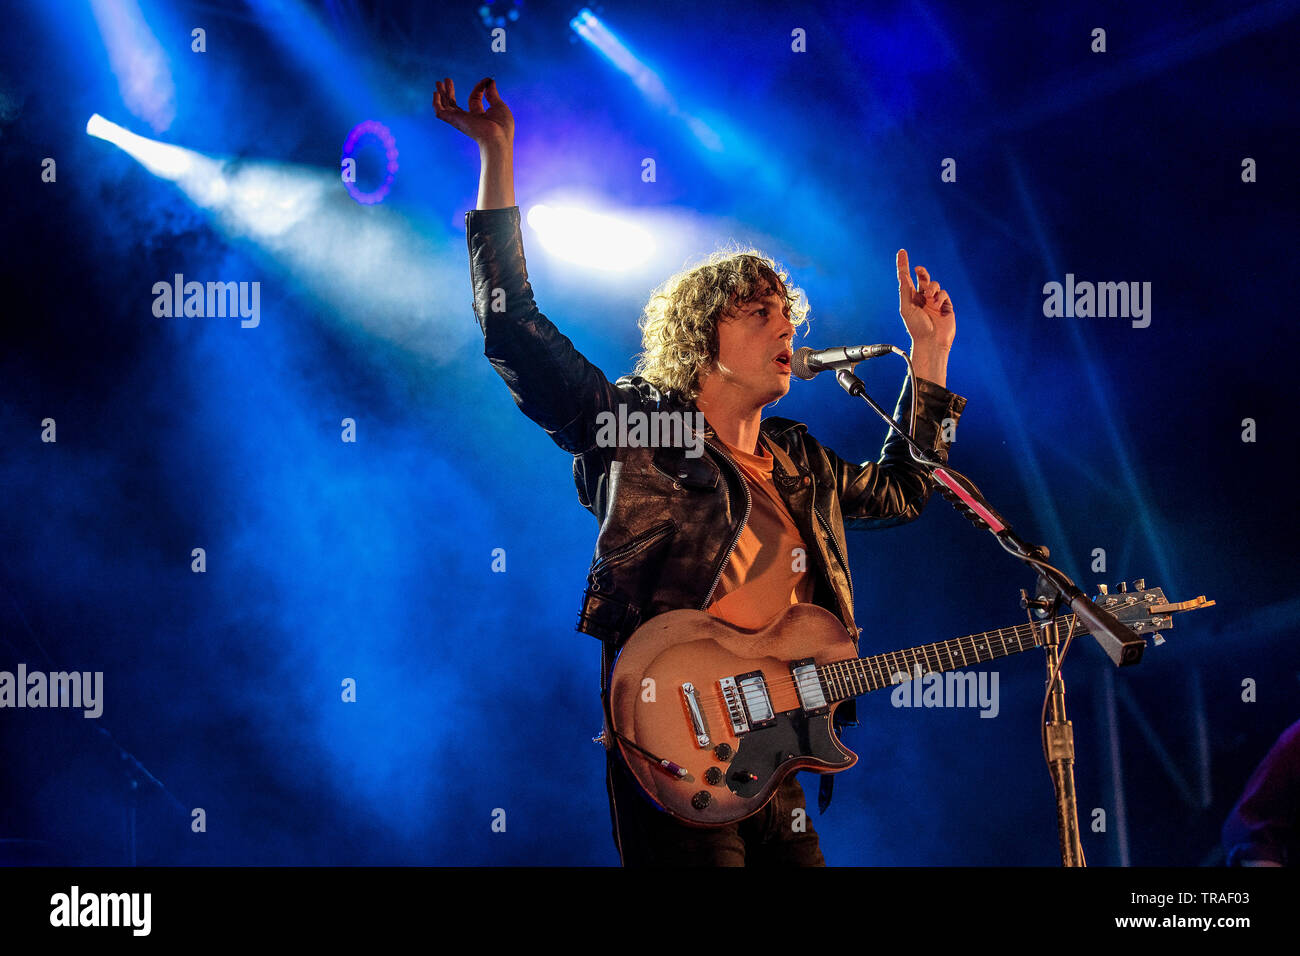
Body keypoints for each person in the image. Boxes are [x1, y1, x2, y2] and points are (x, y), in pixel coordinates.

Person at [435, 76, 969, 865]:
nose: (784, 330)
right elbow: (512, 328)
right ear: (702, 340)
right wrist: (498, 155)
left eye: (787, 318)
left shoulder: (801, 461)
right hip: (673, 735)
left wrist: (929, 357)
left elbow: (903, 491)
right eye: (759, 315)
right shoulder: (645, 430)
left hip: (772, 749)